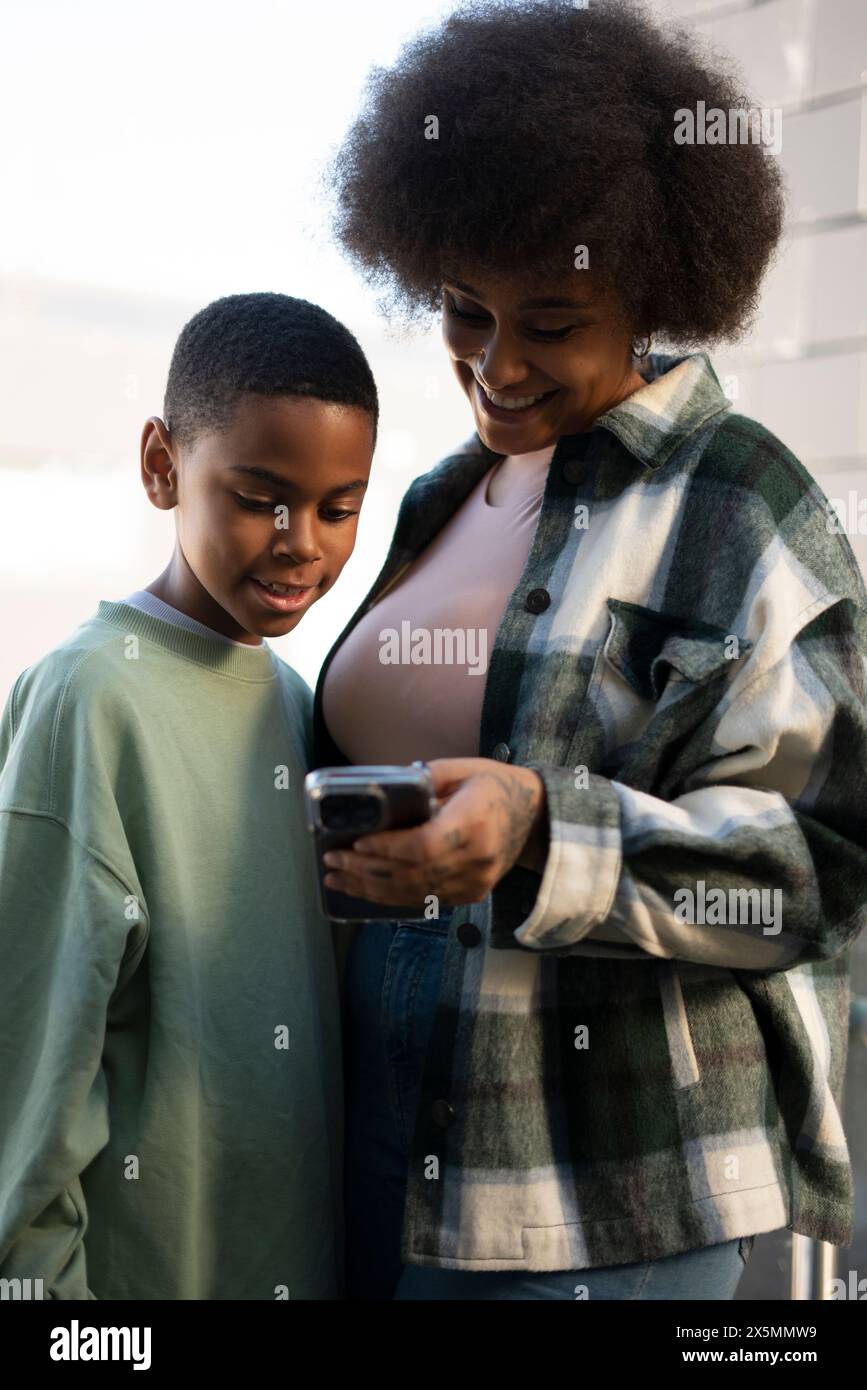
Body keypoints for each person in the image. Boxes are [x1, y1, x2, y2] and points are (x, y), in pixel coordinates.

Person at [314, 0, 867, 1299]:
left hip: (607, 1189)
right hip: (376, 1131)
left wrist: (539, 833)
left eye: (550, 320)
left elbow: (825, 863)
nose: (495, 364)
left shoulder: (739, 503)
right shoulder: (440, 497)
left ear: (651, 287)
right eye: (461, 307)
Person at [0, 292, 377, 1299]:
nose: (305, 541)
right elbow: (31, 1077)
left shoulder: (305, 707)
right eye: (261, 496)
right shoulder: (88, 700)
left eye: (341, 507)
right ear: (163, 465)